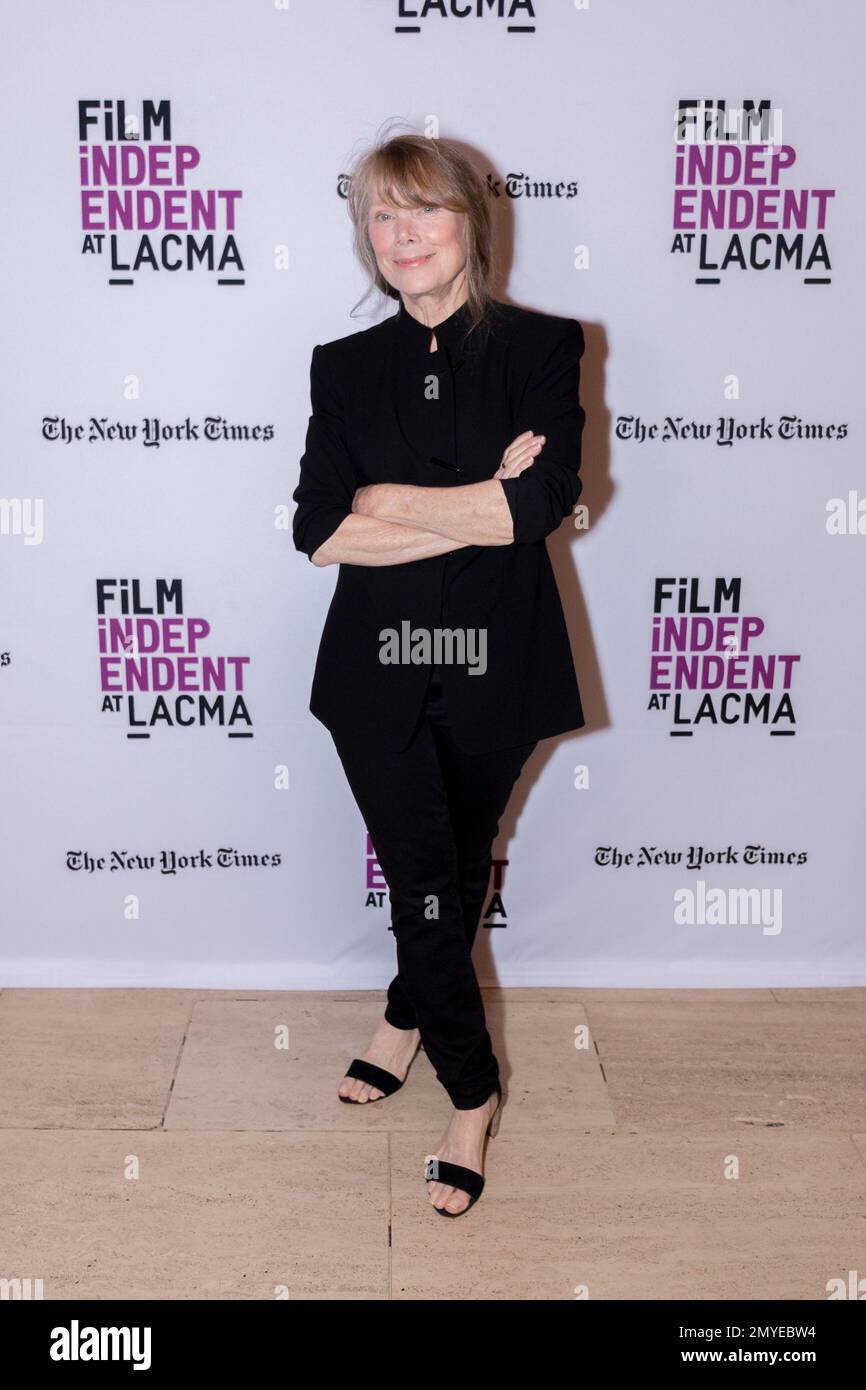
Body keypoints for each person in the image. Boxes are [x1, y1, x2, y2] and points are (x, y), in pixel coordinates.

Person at [292, 132, 586, 1216]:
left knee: (454, 872)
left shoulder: (544, 345)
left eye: (423, 211)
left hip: (495, 666)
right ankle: (473, 1095)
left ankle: (401, 1017)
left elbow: (534, 506)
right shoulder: (341, 364)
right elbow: (318, 533)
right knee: (424, 876)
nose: (402, 234)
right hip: (371, 675)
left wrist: (392, 503)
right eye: (380, 215)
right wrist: (461, 503)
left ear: (470, 220)